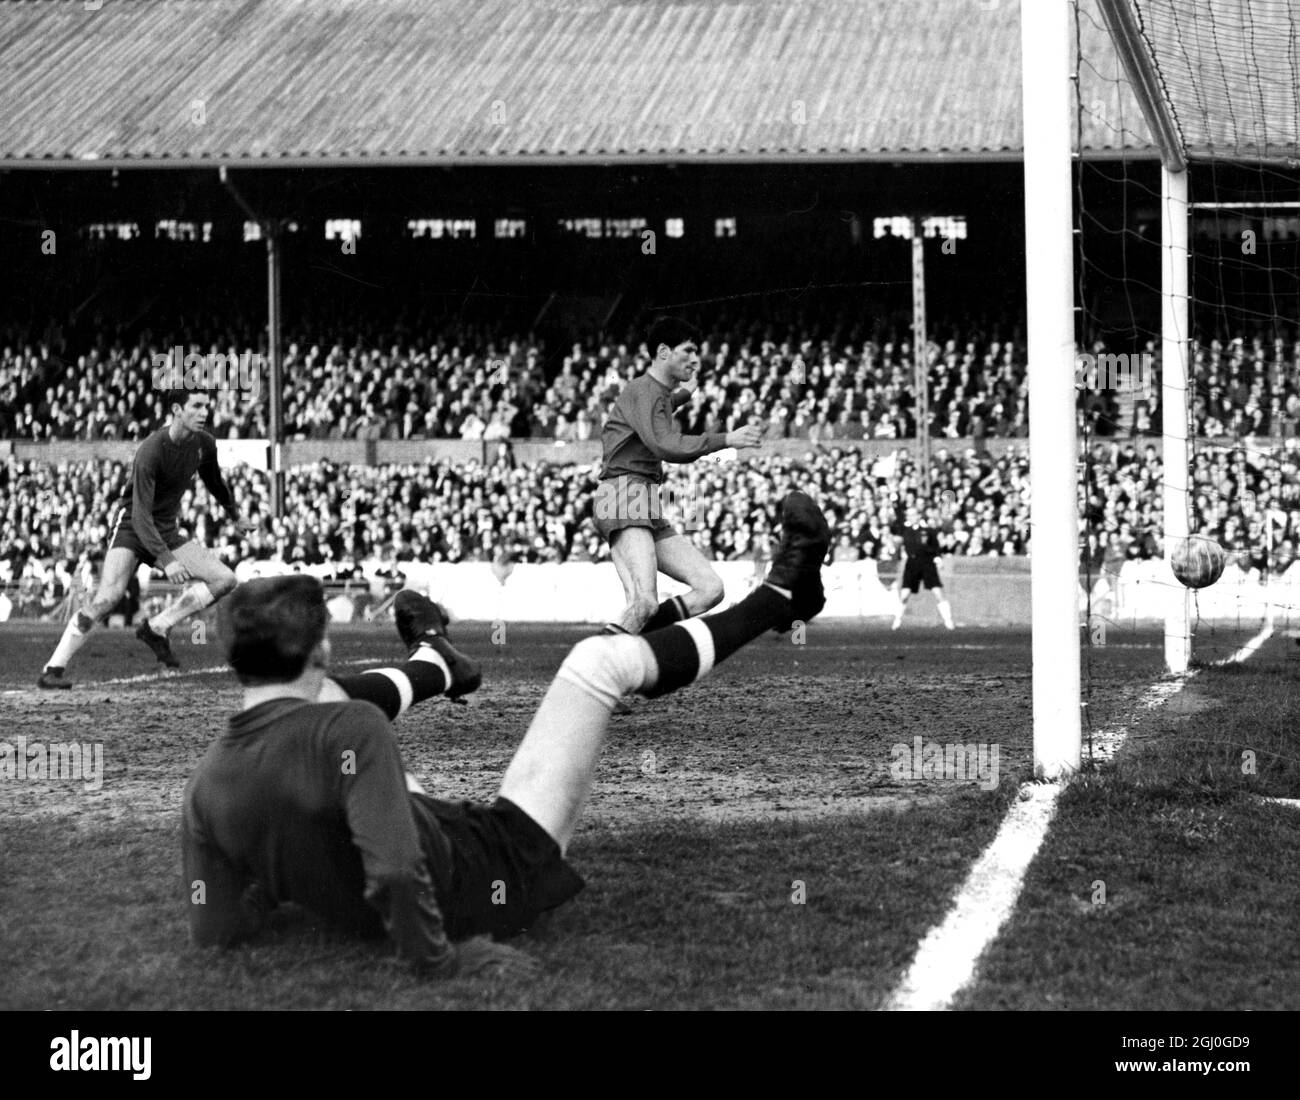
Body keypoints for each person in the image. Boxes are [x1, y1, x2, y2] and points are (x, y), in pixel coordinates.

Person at [182, 490, 829, 977]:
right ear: (321, 647)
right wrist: (441, 961)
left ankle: (439, 661)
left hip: (423, 832)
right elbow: (400, 874)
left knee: (326, 727)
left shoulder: (206, 782)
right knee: (598, 663)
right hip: (496, 862)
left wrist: (286, 870)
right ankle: (780, 591)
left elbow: (212, 928)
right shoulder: (350, 726)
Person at [38, 391, 256, 688]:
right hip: (131, 527)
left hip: (166, 528)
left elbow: (214, 481)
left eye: (206, 406)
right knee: (106, 599)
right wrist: (166, 560)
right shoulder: (151, 450)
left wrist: (235, 515)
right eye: (197, 406)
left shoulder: (204, 444)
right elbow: (140, 516)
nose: (205, 412)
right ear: (177, 410)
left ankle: (158, 626)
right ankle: (53, 668)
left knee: (225, 579)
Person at [593, 316, 764, 639]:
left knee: (710, 589)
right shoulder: (644, 390)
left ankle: (633, 643)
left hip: (639, 497)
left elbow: (662, 407)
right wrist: (726, 439)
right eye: (689, 351)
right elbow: (665, 444)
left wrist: (685, 393)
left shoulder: (652, 394)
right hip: (622, 495)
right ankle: (592, 669)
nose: (697, 359)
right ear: (663, 352)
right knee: (643, 604)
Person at [890, 505, 956, 631]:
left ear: (919, 516)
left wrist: (937, 558)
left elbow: (936, 548)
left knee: (938, 591)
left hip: (927, 563)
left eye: (913, 514)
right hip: (912, 563)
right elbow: (897, 517)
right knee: (905, 594)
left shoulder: (929, 530)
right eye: (909, 515)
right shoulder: (905, 529)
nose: (911, 517)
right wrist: (895, 500)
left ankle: (948, 620)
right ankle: (897, 620)